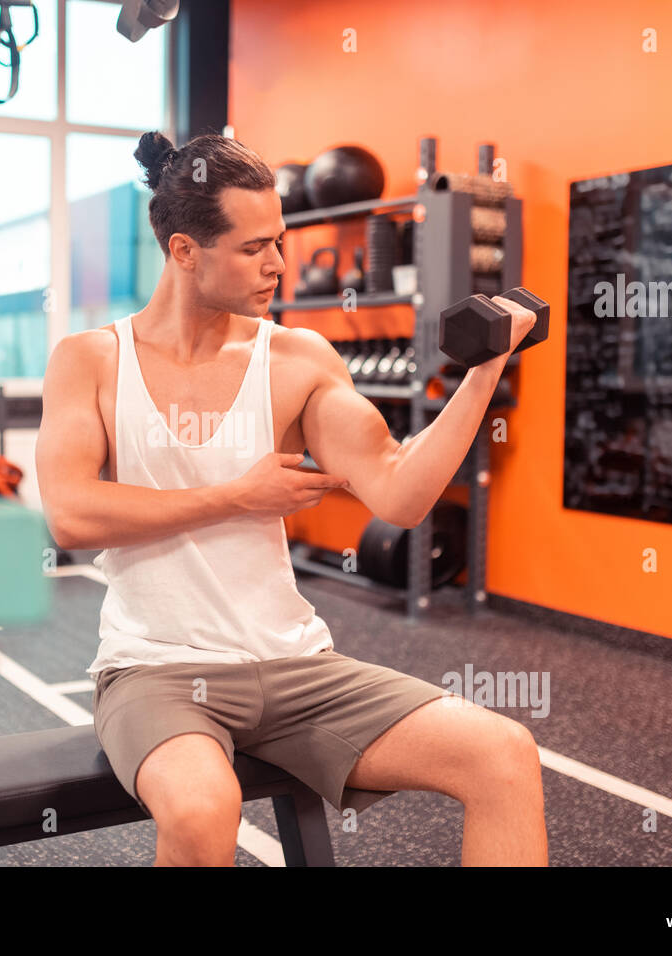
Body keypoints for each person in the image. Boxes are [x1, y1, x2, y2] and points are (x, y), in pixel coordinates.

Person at [35, 131, 547, 867]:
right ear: (184, 251)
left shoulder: (296, 358)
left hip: (295, 665)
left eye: (279, 240)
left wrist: (482, 374)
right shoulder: (90, 360)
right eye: (253, 248)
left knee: (503, 753)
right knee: (202, 811)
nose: (278, 263)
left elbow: (400, 494)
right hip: (157, 669)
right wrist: (236, 497)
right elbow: (72, 516)